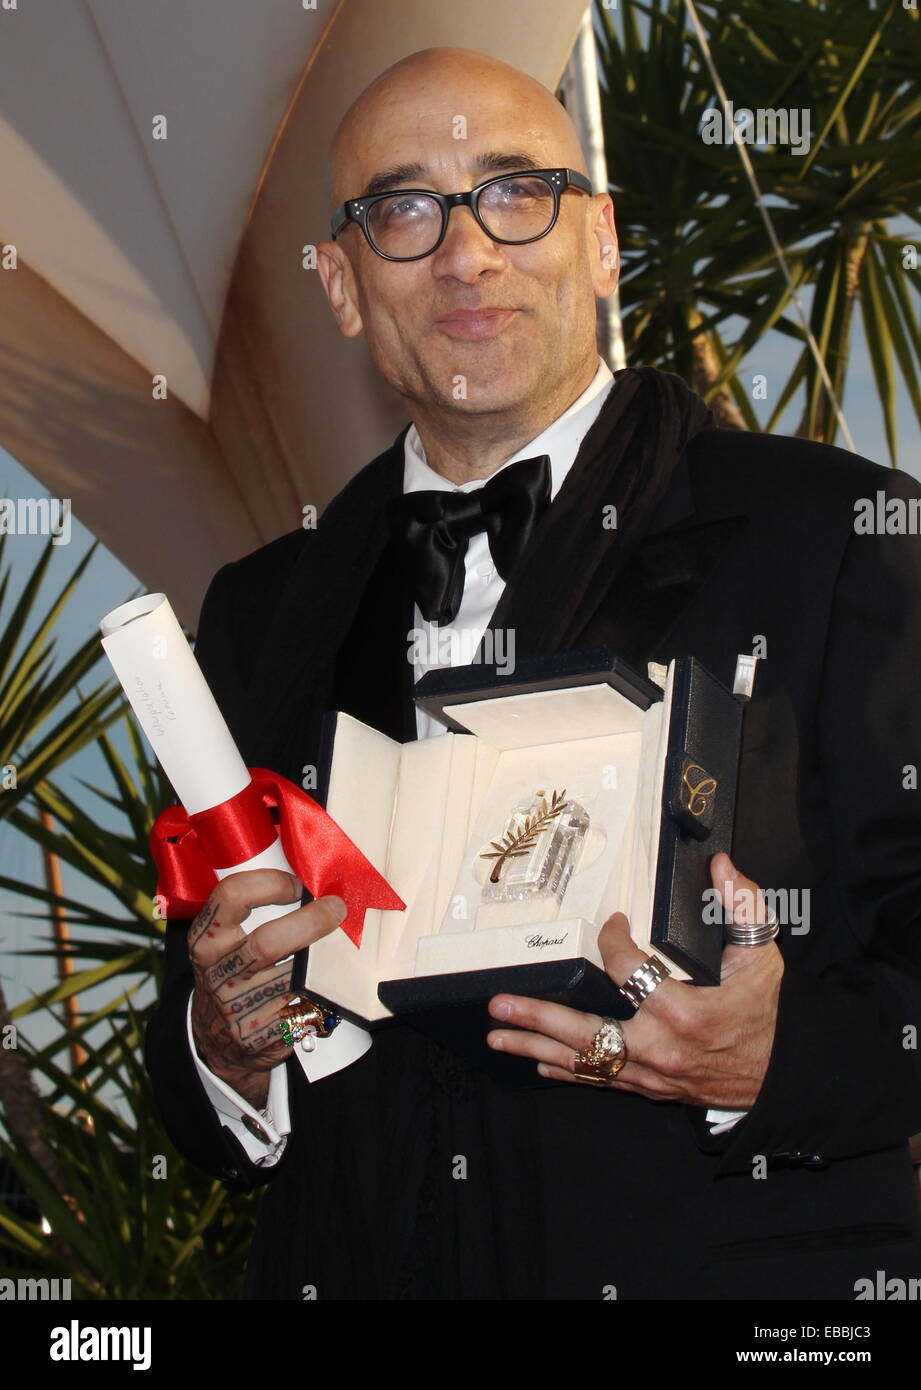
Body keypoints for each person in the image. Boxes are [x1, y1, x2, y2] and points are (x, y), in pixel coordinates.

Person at [145, 47, 921, 1300]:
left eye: (517, 192)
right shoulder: (256, 612)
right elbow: (191, 1042)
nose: (467, 254)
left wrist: (770, 1061)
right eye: (403, 210)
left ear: (602, 243)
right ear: (342, 287)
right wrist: (224, 1042)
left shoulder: (837, 538)